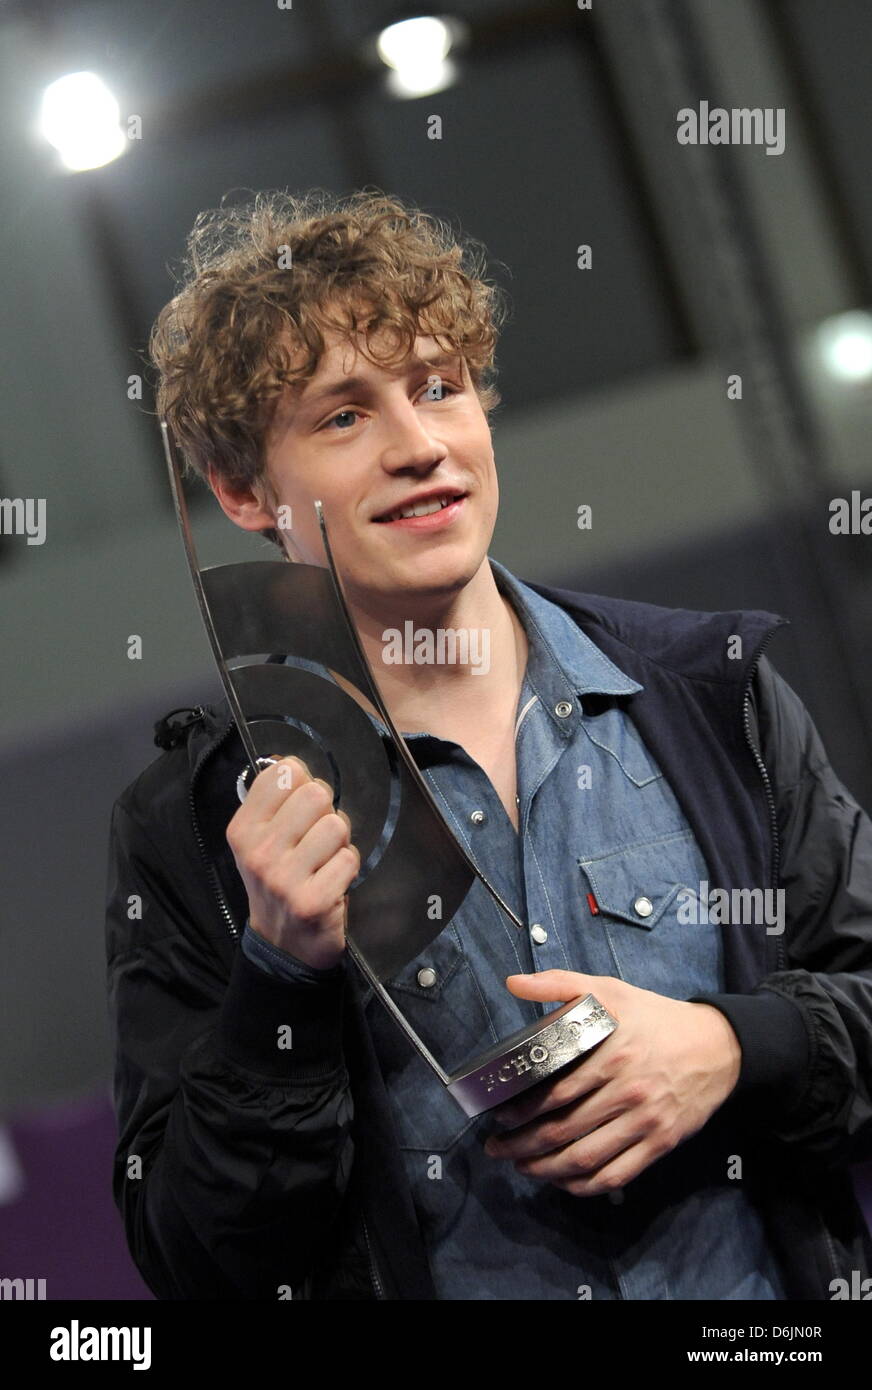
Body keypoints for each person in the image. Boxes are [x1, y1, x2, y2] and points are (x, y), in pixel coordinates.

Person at [106, 189, 872, 1300]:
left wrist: (733, 1047)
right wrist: (276, 978)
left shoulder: (709, 699)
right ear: (241, 491)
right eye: (342, 416)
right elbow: (195, 1255)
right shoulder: (193, 826)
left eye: (438, 388)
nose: (420, 446)